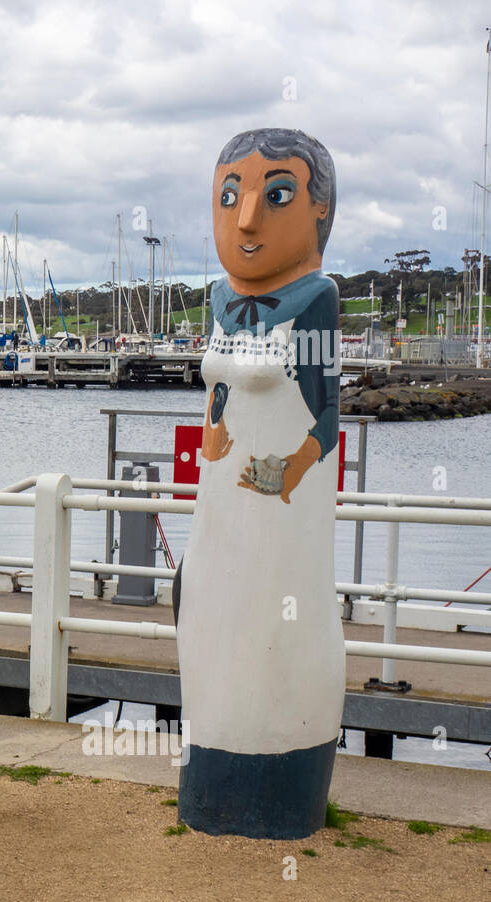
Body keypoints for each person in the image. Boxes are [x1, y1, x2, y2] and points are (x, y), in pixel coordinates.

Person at [175, 127, 345, 839]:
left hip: (280, 518)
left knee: (281, 632)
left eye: (276, 195)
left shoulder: (315, 301)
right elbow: (219, 393)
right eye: (229, 196)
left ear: (320, 214)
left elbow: (329, 411)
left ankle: (281, 787)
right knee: (207, 622)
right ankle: (209, 782)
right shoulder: (218, 299)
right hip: (218, 510)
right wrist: (214, 433)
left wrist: (295, 466)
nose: (246, 220)